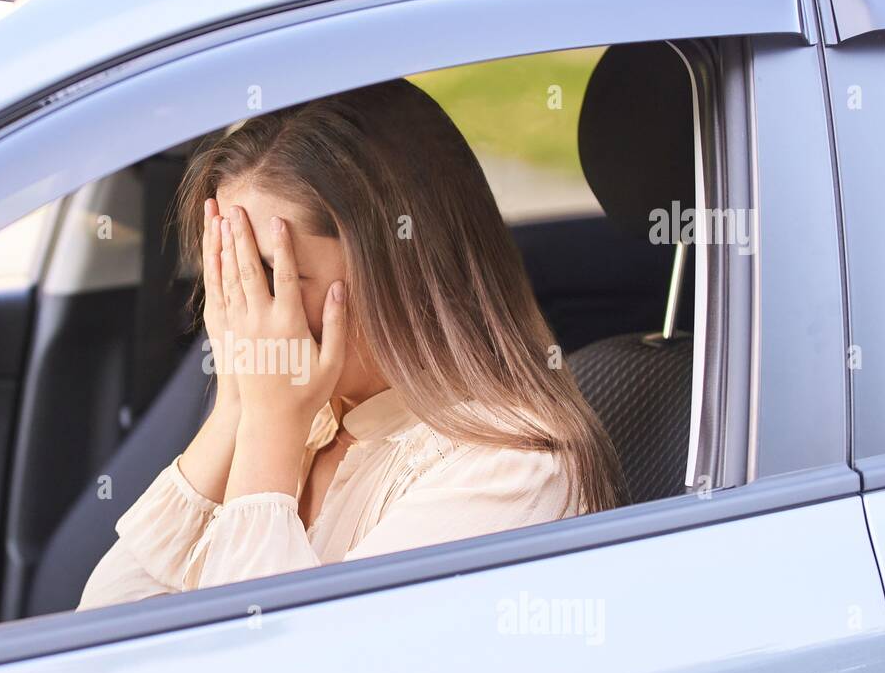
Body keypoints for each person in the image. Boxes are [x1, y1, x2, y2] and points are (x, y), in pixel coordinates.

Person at [79, 79, 622, 610]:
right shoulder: (306, 416)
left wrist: (268, 429)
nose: (245, 312)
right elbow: (102, 623)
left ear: (395, 266)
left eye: (269, 275)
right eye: (230, 275)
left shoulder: (511, 469)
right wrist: (238, 405)